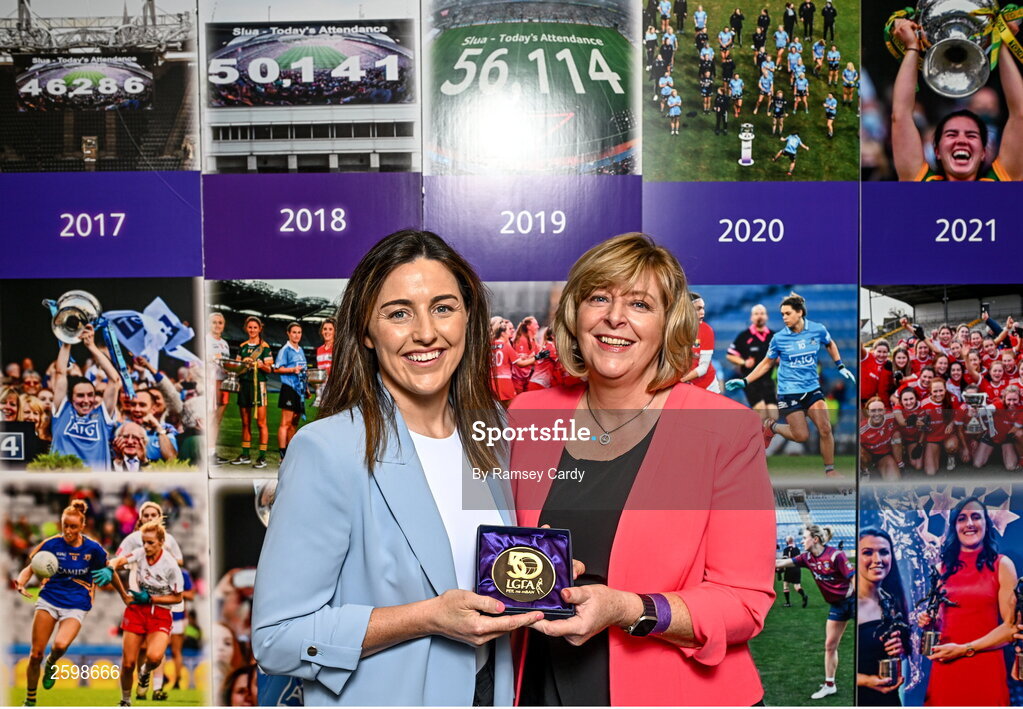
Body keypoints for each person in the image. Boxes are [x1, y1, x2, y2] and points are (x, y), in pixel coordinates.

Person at [251, 230, 542, 706]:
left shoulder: (494, 435)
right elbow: (276, 639)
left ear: (469, 320)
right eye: (399, 313)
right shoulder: (327, 448)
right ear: (366, 331)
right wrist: (426, 617)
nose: (426, 332)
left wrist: (544, 579)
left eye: (444, 307)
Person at [509, 233, 775, 706]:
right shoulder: (529, 415)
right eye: (599, 298)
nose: (615, 317)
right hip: (541, 685)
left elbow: (745, 602)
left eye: (640, 303)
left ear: (669, 324)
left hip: (673, 693)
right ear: (575, 313)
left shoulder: (726, 429)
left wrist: (627, 609)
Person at [727, 292, 855, 477]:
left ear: (800, 312)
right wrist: (745, 380)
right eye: (782, 314)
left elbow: (830, 343)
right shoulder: (779, 338)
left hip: (812, 389)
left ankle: (830, 471)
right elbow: (765, 363)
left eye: (787, 313)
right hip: (789, 393)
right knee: (801, 436)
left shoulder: (817, 329)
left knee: (825, 428)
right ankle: (772, 427)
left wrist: (839, 365)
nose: (784, 318)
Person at [890, 19, 1023, 182]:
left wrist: (1000, 43)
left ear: (983, 152)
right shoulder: (922, 184)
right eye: (951, 134)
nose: (961, 141)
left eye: (972, 135)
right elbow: (901, 116)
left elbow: (1020, 115)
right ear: (937, 151)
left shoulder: (1000, 184)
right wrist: (912, 47)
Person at [15, 500, 117, 707]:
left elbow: (109, 570)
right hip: (49, 600)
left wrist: (123, 594)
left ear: (82, 526)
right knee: (35, 655)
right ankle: (30, 699)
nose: (68, 531)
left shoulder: (93, 549)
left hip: (77, 604)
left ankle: (51, 663)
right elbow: (31, 567)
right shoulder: (52, 544)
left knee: (60, 645)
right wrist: (21, 582)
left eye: (72, 527)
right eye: (65, 526)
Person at [916, 497, 1016, 705]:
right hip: (945, 670)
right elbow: (938, 626)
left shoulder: (1002, 565)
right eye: (962, 518)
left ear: (986, 525)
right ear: (954, 527)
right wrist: (927, 622)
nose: (969, 523)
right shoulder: (940, 569)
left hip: (987, 670)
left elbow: (1010, 629)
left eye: (976, 517)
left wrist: (965, 648)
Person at [104, 521, 185, 707]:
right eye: (144, 542)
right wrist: (111, 566)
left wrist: (151, 599)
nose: (146, 546)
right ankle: (125, 701)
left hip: (160, 613)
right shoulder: (140, 553)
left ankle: (145, 672)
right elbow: (121, 560)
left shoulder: (170, 566)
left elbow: (178, 598)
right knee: (127, 663)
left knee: (155, 657)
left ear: (161, 542)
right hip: (137, 611)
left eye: (151, 543)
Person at [776, 525, 854, 699]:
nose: (802, 541)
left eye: (805, 538)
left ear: (815, 539)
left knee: (871, 636)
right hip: (837, 605)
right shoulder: (806, 558)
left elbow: (853, 577)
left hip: (855, 601)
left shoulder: (836, 555)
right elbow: (782, 563)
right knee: (830, 646)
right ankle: (829, 685)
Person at [50, 324, 121, 470]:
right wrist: (67, 341)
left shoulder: (103, 415)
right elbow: (60, 372)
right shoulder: (62, 411)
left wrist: (91, 346)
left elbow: (115, 380)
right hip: (63, 482)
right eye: (80, 396)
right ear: (70, 398)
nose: (86, 400)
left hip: (96, 485)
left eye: (90, 395)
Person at [856, 528, 906, 706]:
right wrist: (866, 680)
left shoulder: (893, 601)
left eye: (884, 552)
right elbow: (830, 660)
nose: (877, 560)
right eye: (868, 553)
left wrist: (900, 650)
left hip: (890, 700)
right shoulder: (847, 602)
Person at [231, 316, 273, 469]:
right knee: (245, 422)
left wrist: (261, 365)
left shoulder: (265, 347)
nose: (252, 330)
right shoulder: (242, 347)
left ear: (260, 329)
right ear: (246, 328)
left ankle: (262, 457)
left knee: (261, 422)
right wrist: (243, 366)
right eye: (250, 327)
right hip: (244, 385)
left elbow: (270, 369)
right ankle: (245, 454)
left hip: (259, 386)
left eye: (255, 327)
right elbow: (236, 368)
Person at [275, 322, 308, 463]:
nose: (296, 335)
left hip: (299, 390)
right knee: (285, 423)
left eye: (299, 332)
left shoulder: (300, 350)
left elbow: (303, 371)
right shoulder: (285, 350)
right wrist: (292, 370)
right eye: (294, 332)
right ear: (288, 333)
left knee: (295, 422)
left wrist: (306, 388)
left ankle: (289, 452)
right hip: (289, 388)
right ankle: (282, 455)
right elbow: (277, 368)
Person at [680, 292, 719, 392]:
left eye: (703, 308)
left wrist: (681, 380)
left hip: (708, 385)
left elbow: (703, 367)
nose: (702, 312)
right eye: (698, 309)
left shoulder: (707, 330)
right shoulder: (673, 330)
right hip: (686, 385)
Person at [125, 390, 177, 462]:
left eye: (142, 405)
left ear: (153, 409)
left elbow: (171, 459)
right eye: (133, 405)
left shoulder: (167, 428)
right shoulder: (122, 428)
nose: (136, 409)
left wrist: (158, 428)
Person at [208, 312, 231, 464]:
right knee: (208, 418)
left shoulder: (224, 344)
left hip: (223, 382)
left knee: (217, 419)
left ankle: (212, 452)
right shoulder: (205, 340)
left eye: (220, 322)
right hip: (209, 381)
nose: (217, 325)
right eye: (214, 322)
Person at [860, 397, 902, 480]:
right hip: (869, 456)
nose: (877, 414)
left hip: (884, 455)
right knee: (858, 449)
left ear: (884, 410)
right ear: (868, 412)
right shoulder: (862, 429)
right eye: (873, 411)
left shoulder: (891, 417)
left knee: (894, 482)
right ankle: (865, 471)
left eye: (880, 410)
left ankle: (900, 465)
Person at [781, 535, 808, 608]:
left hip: (789, 568)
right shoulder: (797, 549)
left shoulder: (786, 549)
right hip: (797, 568)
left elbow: (785, 558)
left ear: (787, 541)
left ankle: (788, 603)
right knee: (797, 586)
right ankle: (804, 595)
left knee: (786, 585)